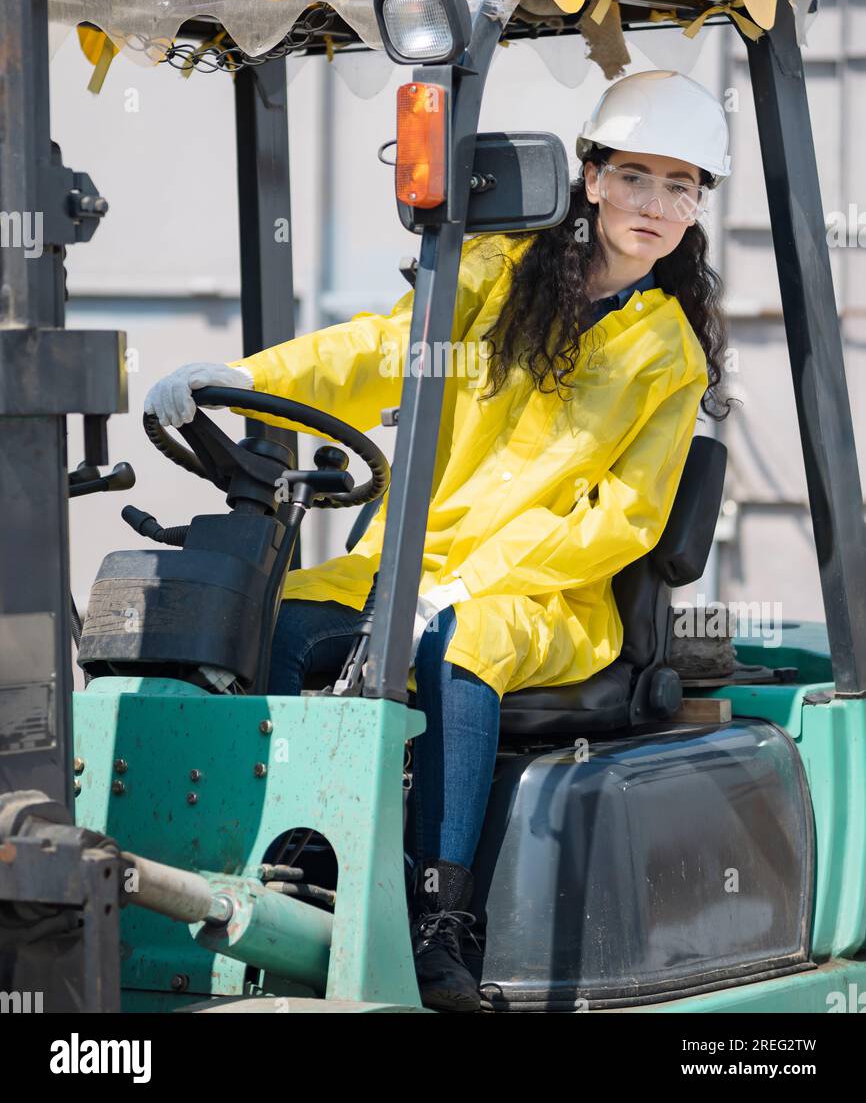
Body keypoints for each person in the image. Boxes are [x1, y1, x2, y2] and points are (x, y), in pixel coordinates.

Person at [144, 68, 733, 1012]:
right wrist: (241, 376)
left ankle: (437, 918)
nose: (656, 205)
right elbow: (381, 351)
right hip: (407, 566)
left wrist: (459, 587)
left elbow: (620, 521)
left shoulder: (669, 353)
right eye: (635, 177)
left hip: (546, 596)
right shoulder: (496, 277)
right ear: (589, 180)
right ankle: (289, 862)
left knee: (458, 644)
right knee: (279, 620)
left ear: (699, 205)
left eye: (681, 186)